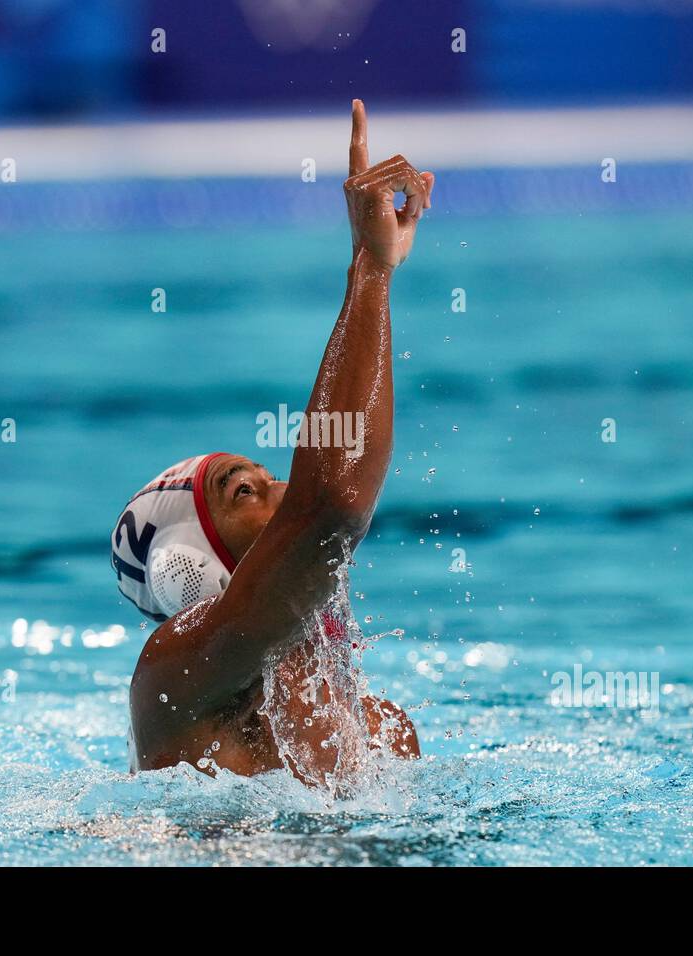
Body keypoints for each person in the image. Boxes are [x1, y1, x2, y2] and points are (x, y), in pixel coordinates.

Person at [110, 100, 434, 783]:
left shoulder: (379, 731)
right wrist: (371, 272)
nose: (284, 485)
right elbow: (330, 510)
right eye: (246, 493)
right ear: (191, 569)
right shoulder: (172, 676)